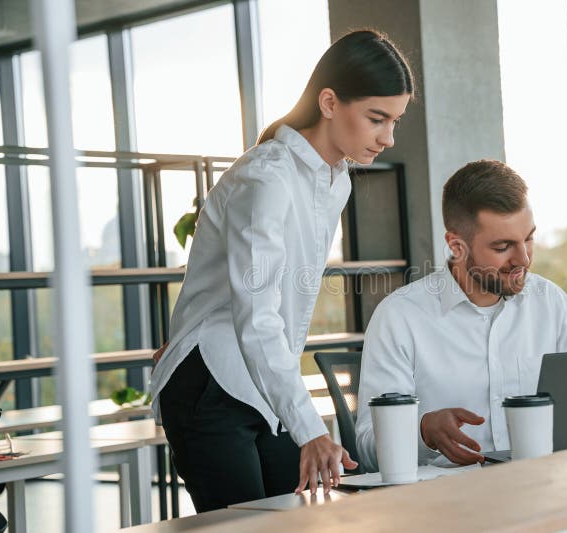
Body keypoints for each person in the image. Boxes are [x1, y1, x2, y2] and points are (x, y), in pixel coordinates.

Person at [149, 29, 414, 512]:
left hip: (264, 384)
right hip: (212, 382)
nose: (388, 137)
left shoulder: (337, 181)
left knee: (295, 520)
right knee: (248, 525)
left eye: (394, 120)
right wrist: (310, 428)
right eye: (377, 118)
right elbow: (257, 310)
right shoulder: (266, 177)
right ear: (329, 102)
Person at [354, 160, 567, 472]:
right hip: (449, 504)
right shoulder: (400, 317)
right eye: (503, 247)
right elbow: (366, 446)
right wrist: (422, 432)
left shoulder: (549, 302)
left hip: (544, 484)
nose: (523, 259)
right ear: (457, 246)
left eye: (528, 238)